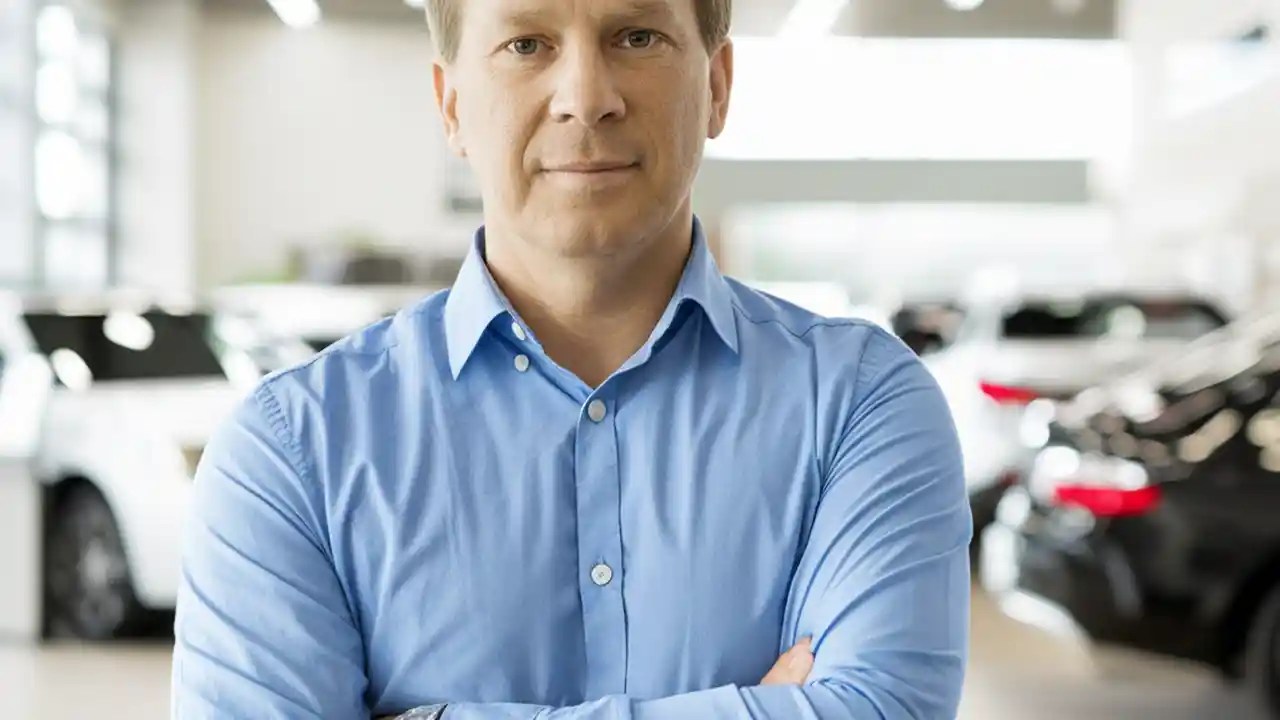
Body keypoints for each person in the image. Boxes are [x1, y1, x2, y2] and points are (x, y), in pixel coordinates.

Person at [171, 0, 972, 717]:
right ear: (451, 104)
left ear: (718, 86)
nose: (587, 97)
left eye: (637, 36)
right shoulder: (291, 451)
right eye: (527, 44)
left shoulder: (859, 405)